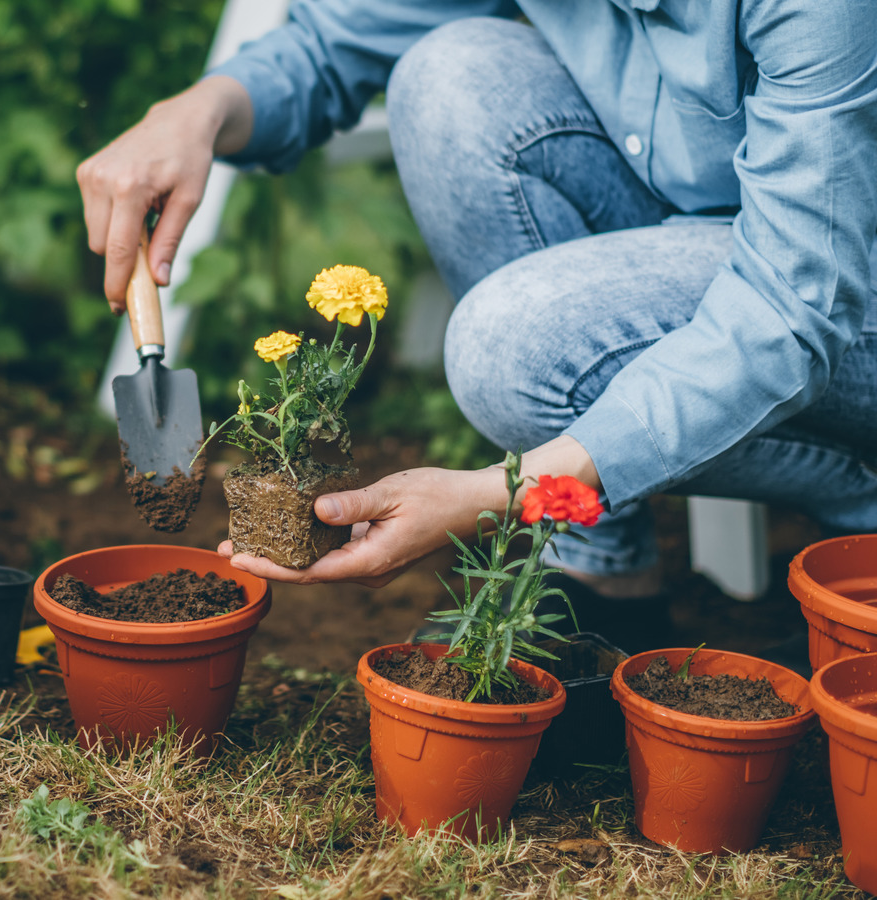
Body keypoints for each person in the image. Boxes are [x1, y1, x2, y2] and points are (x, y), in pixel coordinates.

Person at [76, 1, 877, 650]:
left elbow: (793, 306)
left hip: (837, 293)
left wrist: (509, 492)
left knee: (512, 348)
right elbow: (339, 43)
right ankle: (599, 581)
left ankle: (860, 484)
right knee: (449, 72)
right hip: (707, 234)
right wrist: (196, 112)